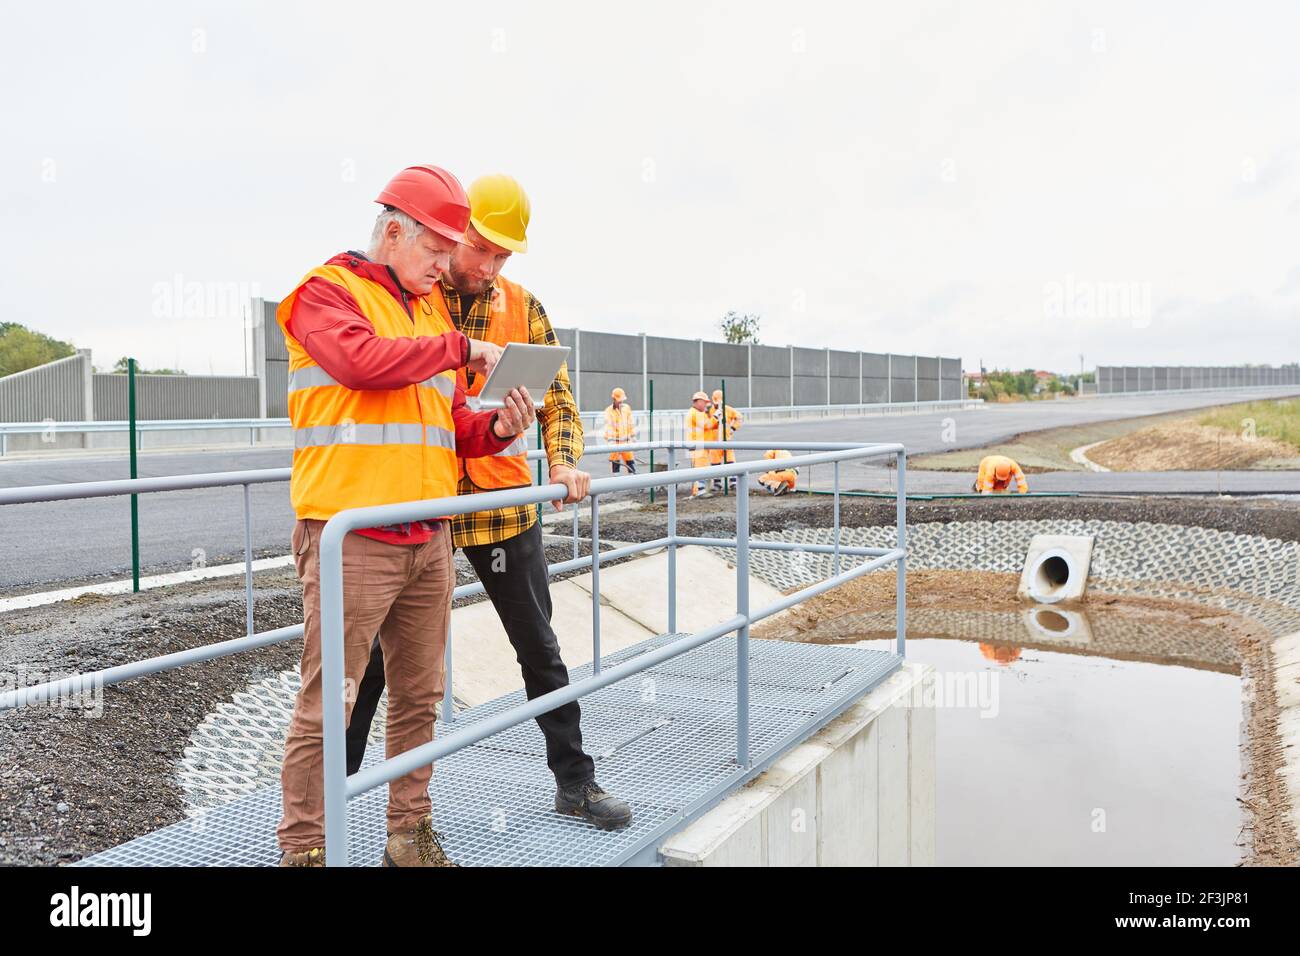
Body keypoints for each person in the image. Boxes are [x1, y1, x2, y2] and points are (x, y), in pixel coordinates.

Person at [345, 173, 633, 832]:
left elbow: (558, 396)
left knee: (540, 650)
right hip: (430, 507)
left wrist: (562, 457)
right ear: (453, 232)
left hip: (504, 508)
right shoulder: (416, 290)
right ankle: (336, 797)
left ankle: (576, 782)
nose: (484, 265)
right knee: (379, 663)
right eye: (477, 246)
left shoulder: (524, 306)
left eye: (502, 255)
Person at [275, 164, 537, 867]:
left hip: (428, 536)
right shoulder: (325, 294)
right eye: (436, 250)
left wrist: (501, 431)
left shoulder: (429, 312)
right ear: (394, 231)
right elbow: (360, 362)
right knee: (329, 701)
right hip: (351, 538)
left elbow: (453, 429)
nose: (447, 265)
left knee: (420, 698)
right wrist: (460, 348)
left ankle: (408, 834)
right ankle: (303, 849)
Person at [707, 388, 743, 491]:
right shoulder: (710, 410)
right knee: (715, 463)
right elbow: (707, 424)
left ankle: (733, 483)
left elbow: (739, 417)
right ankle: (717, 484)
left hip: (726, 440)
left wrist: (733, 428)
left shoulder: (728, 409)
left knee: (730, 461)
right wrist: (715, 416)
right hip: (714, 442)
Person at [685, 390, 717, 497]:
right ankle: (699, 491)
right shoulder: (695, 413)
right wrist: (715, 417)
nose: (706, 404)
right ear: (698, 401)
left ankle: (701, 490)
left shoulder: (698, 413)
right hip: (697, 445)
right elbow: (707, 425)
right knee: (700, 468)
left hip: (701, 445)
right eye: (704, 402)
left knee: (702, 467)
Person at [604, 386, 637, 473]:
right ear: (614, 399)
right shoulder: (609, 411)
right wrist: (610, 440)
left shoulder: (626, 408)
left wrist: (633, 436)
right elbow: (609, 426)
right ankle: (616, 480)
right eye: (619, 400)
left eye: (622, 400)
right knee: (615, 464)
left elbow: (630, 423)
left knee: (630, 462)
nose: (621, 401)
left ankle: (633, 481)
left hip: (626, 442)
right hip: (615, 442)